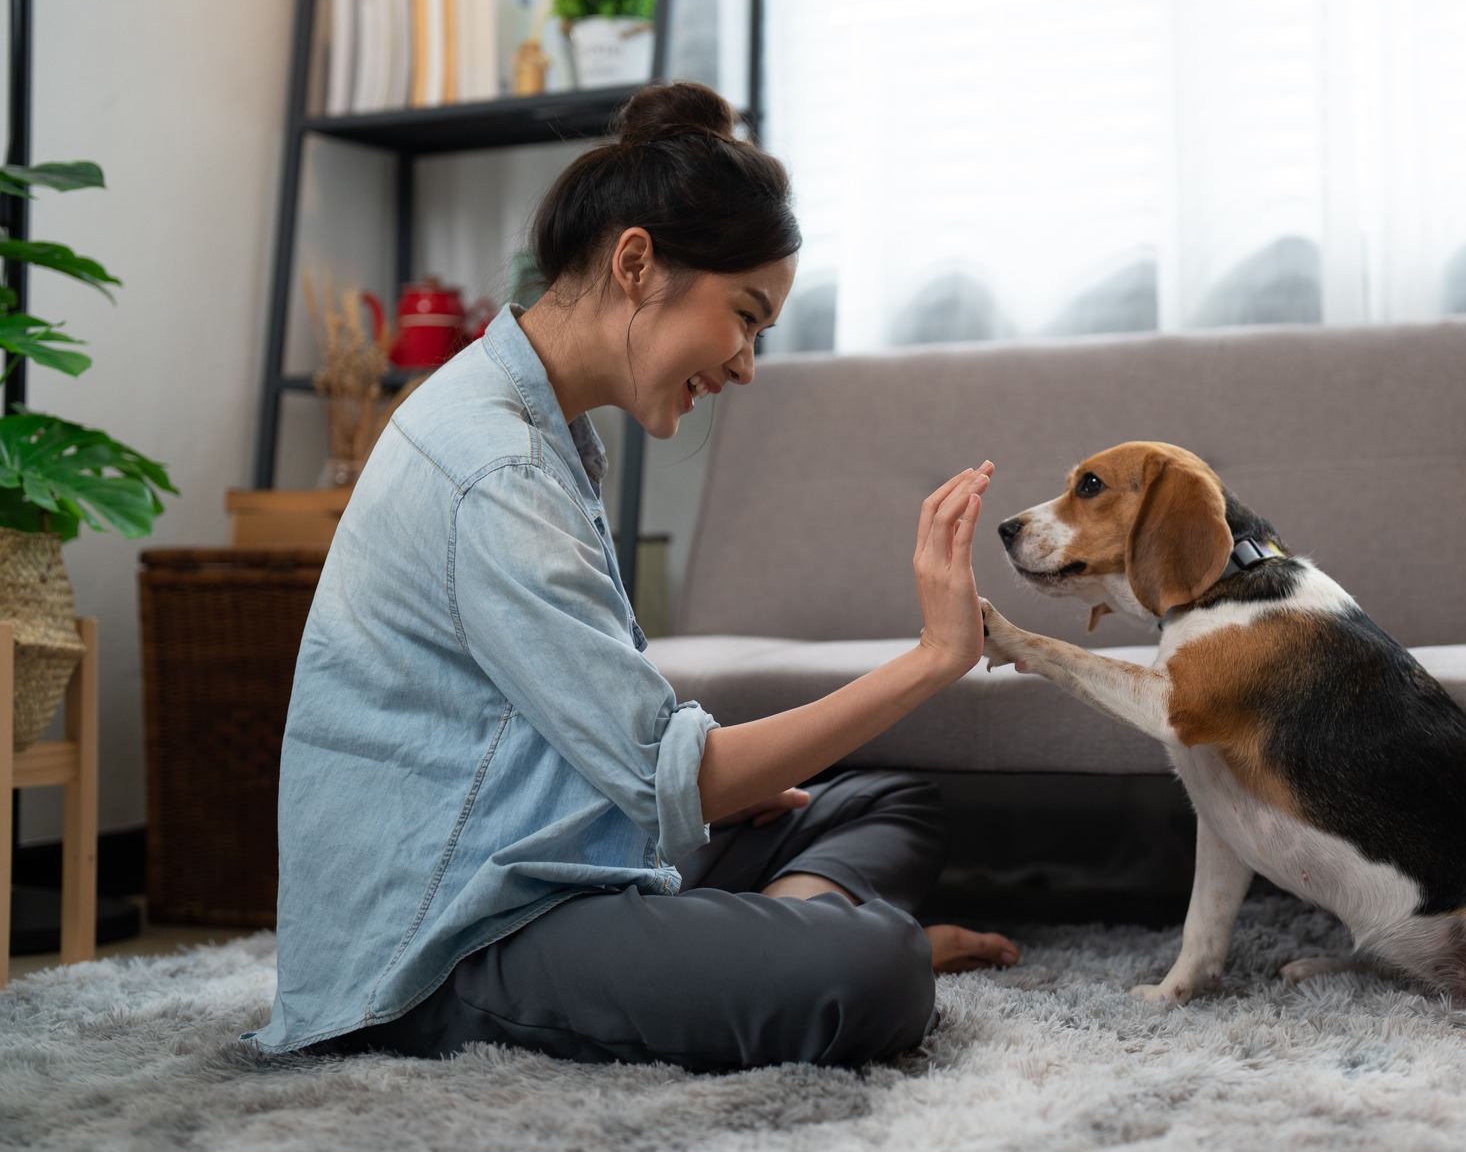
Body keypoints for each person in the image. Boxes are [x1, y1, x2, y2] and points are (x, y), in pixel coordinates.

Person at [246, 81, 1017, 1070]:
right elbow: (680, 775)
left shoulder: (530, 426)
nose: (745, 365)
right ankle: (806, 945)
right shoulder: (498, 470)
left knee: (884, 800)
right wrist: (934, 658)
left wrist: (716, 809)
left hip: (545, 849)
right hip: (450, 944)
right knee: (878, 975)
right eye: (745, 316)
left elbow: (623, 758)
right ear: (636, 263)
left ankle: (770, 935)